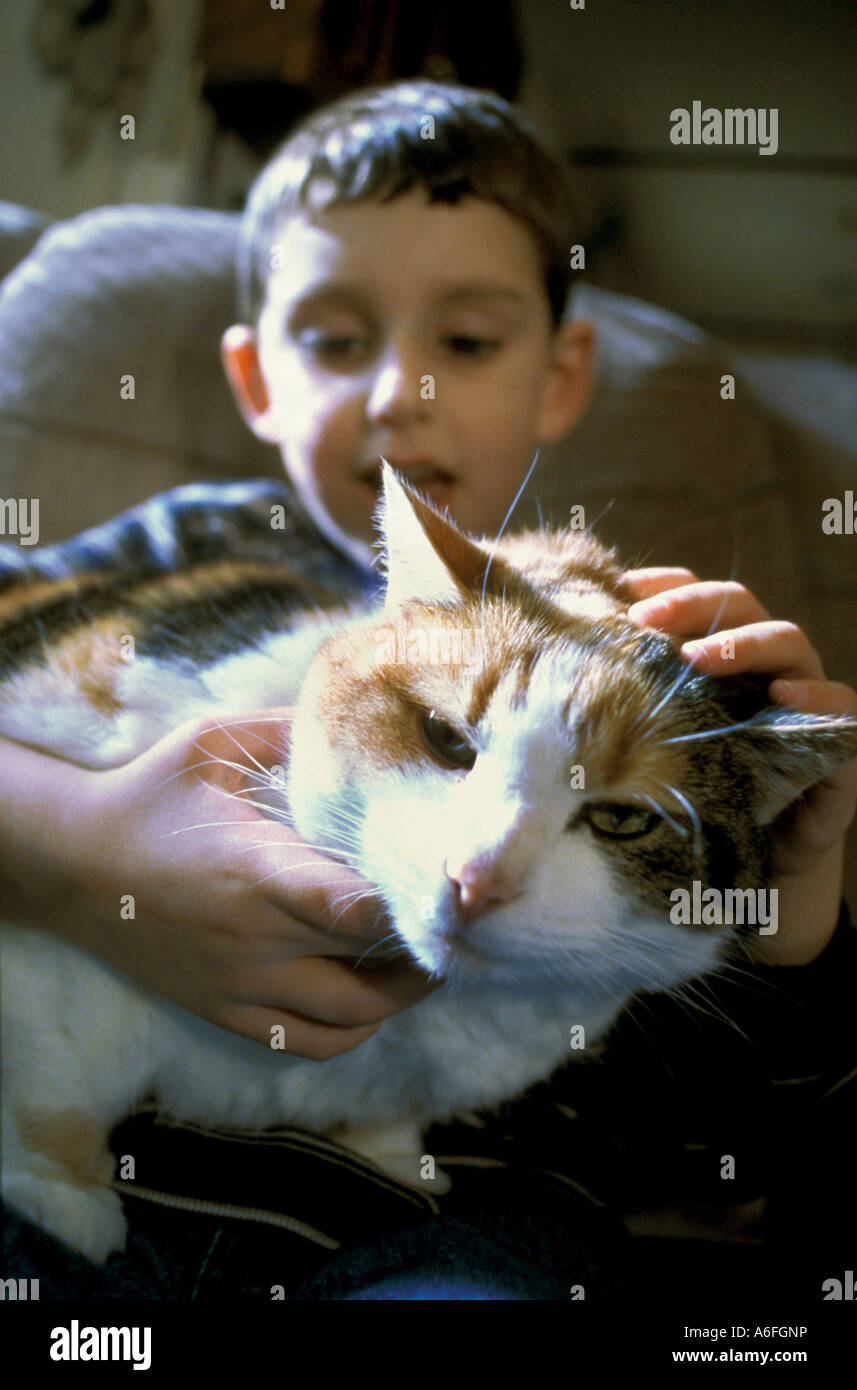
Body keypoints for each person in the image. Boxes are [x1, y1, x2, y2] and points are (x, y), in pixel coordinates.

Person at [1, 81, 855, 1303]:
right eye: (336, 340)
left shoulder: (683, 682)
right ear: (254, 379)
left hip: (458, 1218)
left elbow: (746, 1148)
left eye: (465, 341)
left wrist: (791, 881)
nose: (400, 393)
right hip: (107, 1161)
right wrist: (75, 843)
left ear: (562, 375)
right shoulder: (175, 555)